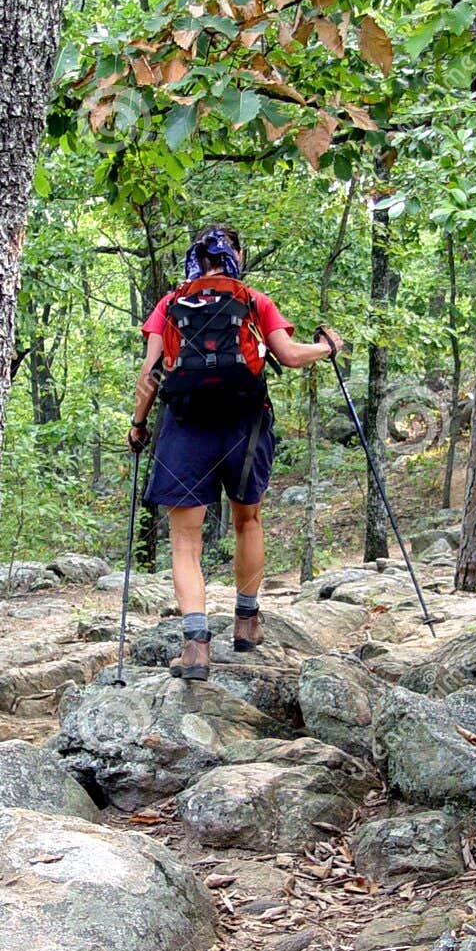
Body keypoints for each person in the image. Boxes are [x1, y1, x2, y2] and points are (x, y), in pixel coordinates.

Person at [128, 223, 344, 681]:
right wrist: (326, 348)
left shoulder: (169, 304)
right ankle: (246, 622)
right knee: (248, 521)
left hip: (186, 428)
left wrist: (139, 425)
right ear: (237, 256)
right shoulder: (253, 300)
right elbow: (288, 355)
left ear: (195, 259)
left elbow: (150, 374)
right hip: (245, 426)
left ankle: (195, 647)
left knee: (185, 541)